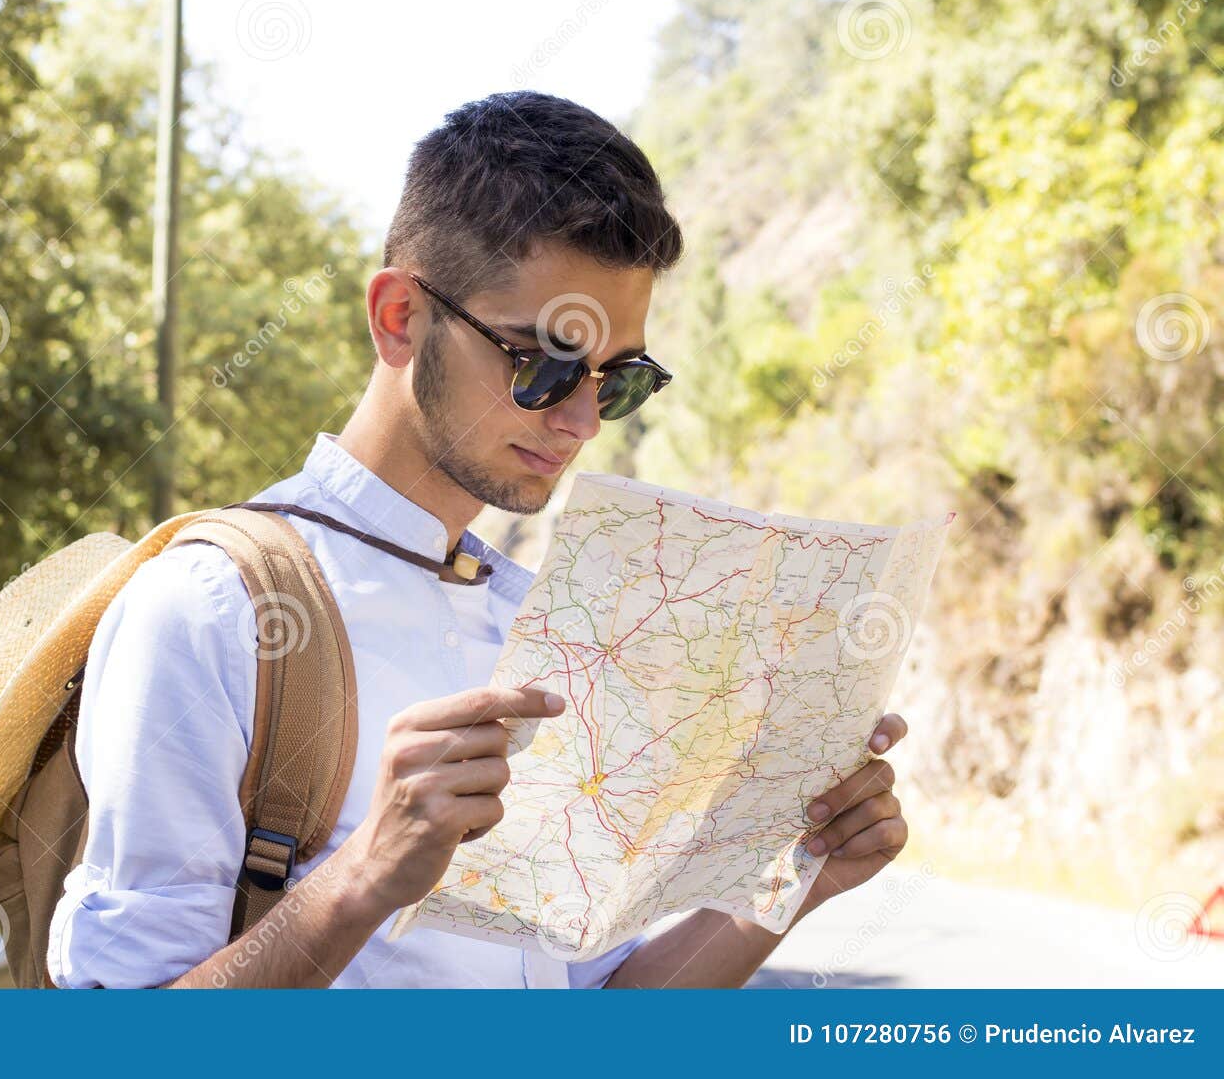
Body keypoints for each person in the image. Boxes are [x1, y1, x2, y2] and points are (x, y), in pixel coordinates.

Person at [46, 91, 908, 989]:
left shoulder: (546, 625)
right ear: (399, 316)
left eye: (618, 379)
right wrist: (365, 874)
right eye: (545, 365)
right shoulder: (209, 609)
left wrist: (793, 873)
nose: (582, 421)